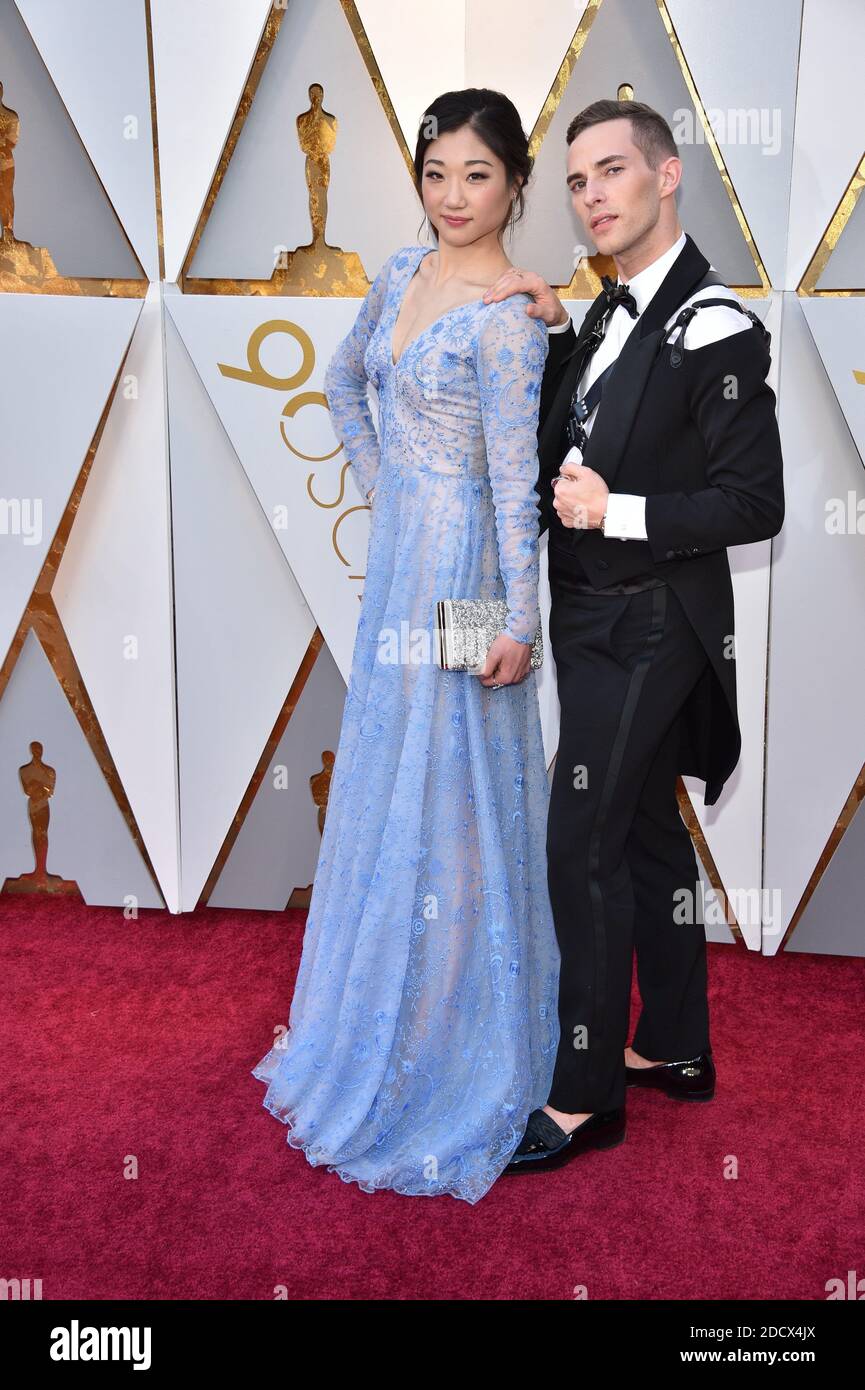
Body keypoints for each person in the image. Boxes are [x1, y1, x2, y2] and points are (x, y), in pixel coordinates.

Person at [251, 89, 561, 1204]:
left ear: (513, 185)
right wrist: (390, 489)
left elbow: (516, 483)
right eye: (437, 171)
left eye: (476, 175)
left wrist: (517, 620)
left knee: (462, 782)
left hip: (467, 572)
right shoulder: (395, 273)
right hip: (402, 567)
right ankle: (388, 1009)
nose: (452, 196)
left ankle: (453, 1030)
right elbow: (342, 381)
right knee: (396, 778)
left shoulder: (513, 316)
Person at [481, 99, 785, 1173]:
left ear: (668, 178)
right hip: (594, 615)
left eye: (613, 171)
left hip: (651, 622)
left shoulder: (718, 324)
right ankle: (676, 1045)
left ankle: (583, 1091)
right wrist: (563, 330)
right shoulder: (611, 315)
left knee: (581, 841)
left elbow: (756, 505)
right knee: (648, 835)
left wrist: (616, 511)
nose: (593, 194)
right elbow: (593, 424)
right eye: (575, 180)